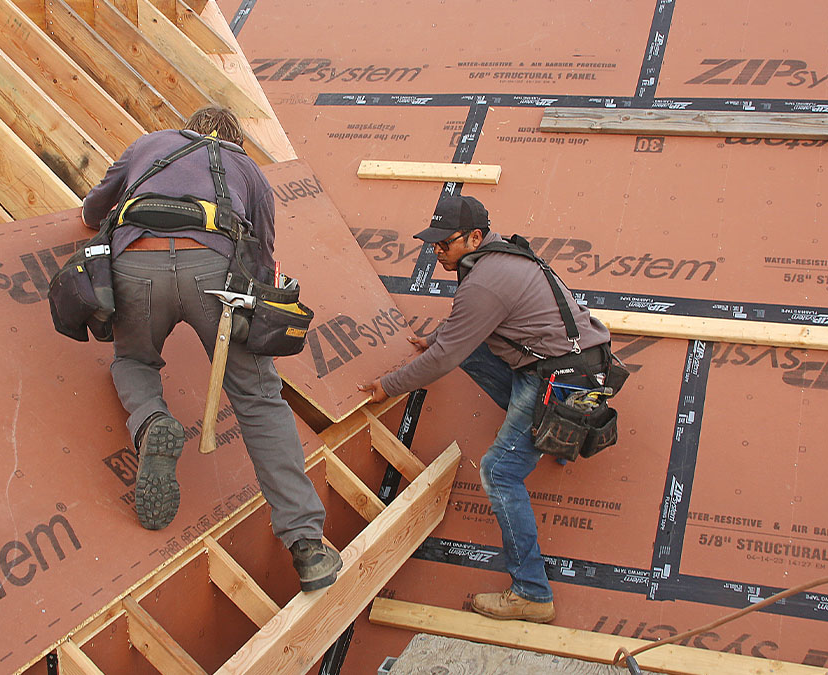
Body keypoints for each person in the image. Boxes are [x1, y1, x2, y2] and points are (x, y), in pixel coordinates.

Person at [82, 106, 341, 592]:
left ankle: (152, 421)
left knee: (133, 359)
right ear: (234, 140)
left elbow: (93, 210)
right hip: (216, 274)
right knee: (260, 402)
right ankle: (306, 547)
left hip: (136, 265)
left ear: (190, 128)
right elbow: (261, 255)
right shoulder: (247, 169)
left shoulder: (148, 144)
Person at [359, 195, 611, 622]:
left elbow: (444, 359)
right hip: (577, 360)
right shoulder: (500, 256)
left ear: (475, 236)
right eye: (432, 244)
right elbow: (472, 326)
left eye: (445, 244)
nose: (436, 251)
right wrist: (441, 337)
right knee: (468, 349)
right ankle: (544, 433)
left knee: (498, 472)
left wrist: (388, 386)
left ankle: (532, 592)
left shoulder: (483, 281)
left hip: (562, 378)